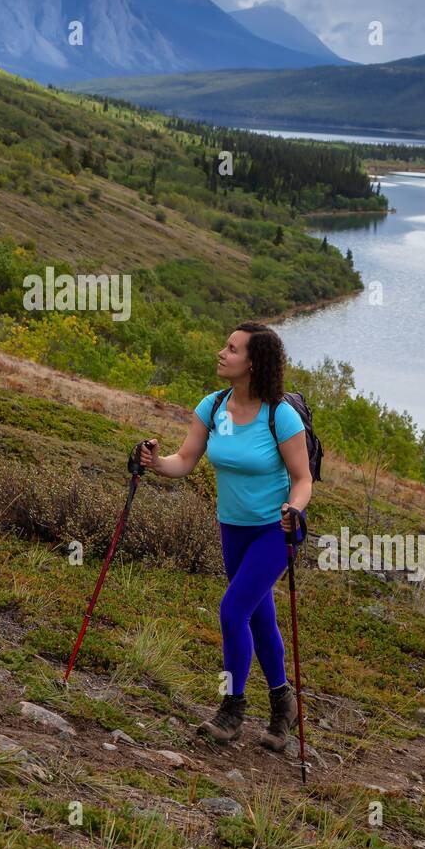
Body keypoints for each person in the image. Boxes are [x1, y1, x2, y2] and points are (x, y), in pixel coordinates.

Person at [137, 321, 312, 750]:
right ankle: (283, 703)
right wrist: (156, 462)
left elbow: (302, 478)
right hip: (231, 527)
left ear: (253, 363)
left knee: (233, 610)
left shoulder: (280, 416)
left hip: (275, 530)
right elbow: (185, 460)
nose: (221, 353)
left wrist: (294, 508)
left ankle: (231, 710)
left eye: (231, 349)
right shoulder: (213, 407)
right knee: (258, 615)